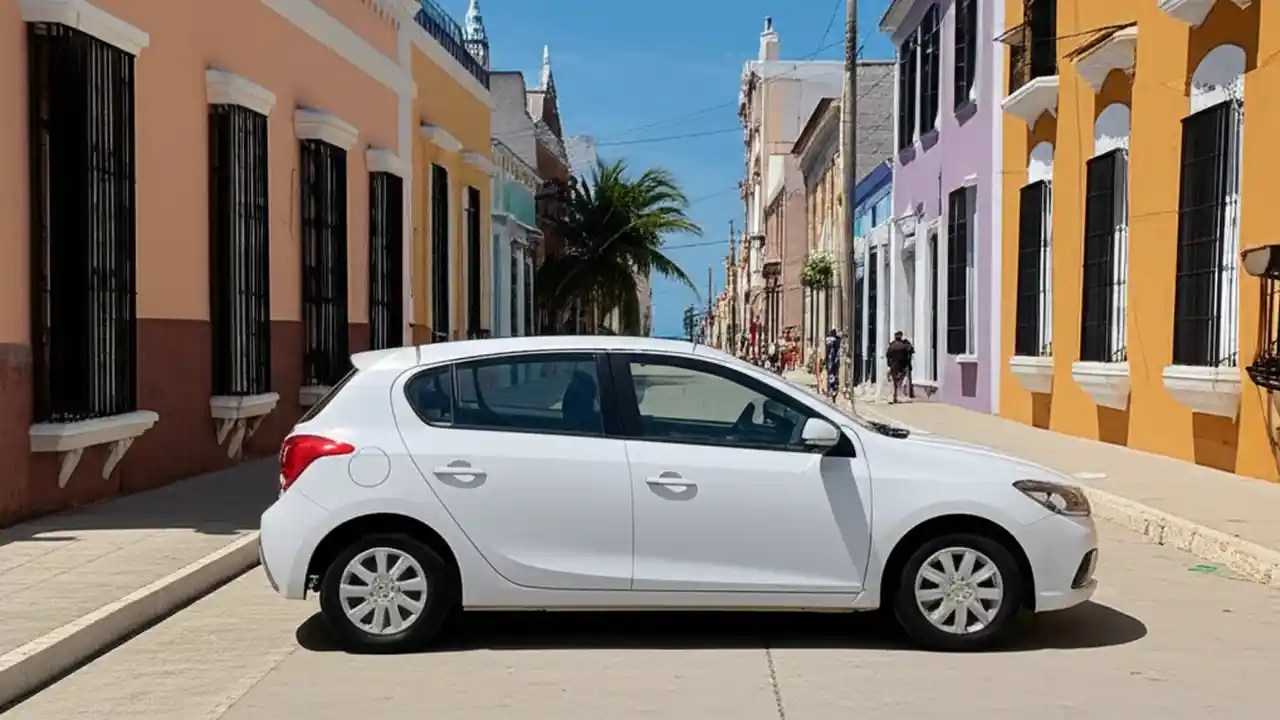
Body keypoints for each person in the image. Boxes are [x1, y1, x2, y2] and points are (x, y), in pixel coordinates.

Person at [885, 331, 915, 404]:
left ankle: (893, 397)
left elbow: (888, 356)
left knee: (894, 382)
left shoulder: (892, 345)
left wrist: (889, 365)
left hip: (893, 366)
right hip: (901, 366)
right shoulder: (905, 345)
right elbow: (910, 352)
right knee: (899, 383)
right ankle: (897, 397)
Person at [824, 328, 841, 401]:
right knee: (833, 373)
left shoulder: (829, 340)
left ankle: (831, 389)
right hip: (834, 359)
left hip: (831, 359)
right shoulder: (837, 340)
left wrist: (826, 359)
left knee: (830, 373)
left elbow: (828, 351)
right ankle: (832, 389)